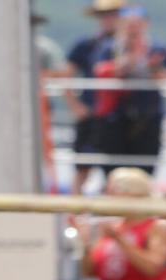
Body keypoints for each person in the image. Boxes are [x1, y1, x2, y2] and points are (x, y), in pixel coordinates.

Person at [91, 6, 166, 177]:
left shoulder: (159, 49)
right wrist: (125, 63)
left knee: (145, 168)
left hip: (148, 116)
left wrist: (155, 69)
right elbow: (99, 71)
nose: (132, 28)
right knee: (113, 169)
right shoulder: (109, 48)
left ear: (146, 25)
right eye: (128, 24)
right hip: (114, 117)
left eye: (137, 24)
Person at [64, 0, 124, 195]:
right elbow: (67, 75)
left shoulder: (131, 47)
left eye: (114, 14)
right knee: (83, 166)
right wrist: (76, 106)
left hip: (120, 117)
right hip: (92, 114)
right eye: (104, 15)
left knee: (117, 170)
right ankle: (75, 213)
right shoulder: (86, 45)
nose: (109, 19)